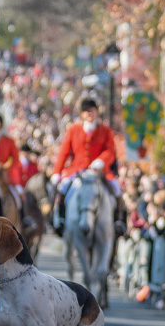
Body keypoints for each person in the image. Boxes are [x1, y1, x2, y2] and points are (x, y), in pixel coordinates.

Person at [51, 96, 121, 233]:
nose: (89, 114)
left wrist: (101, 161)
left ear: (96, 112)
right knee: (63, 187)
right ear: (82, 114)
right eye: (86, 111)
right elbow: (63, 153)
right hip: (78, 169)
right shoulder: (73, 129)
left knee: (116, 189)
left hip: (100, 170)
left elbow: (110, 151)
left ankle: (118, 221)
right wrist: (56, 172)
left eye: (92, 111)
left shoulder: (106, 131)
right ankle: (60, 219)